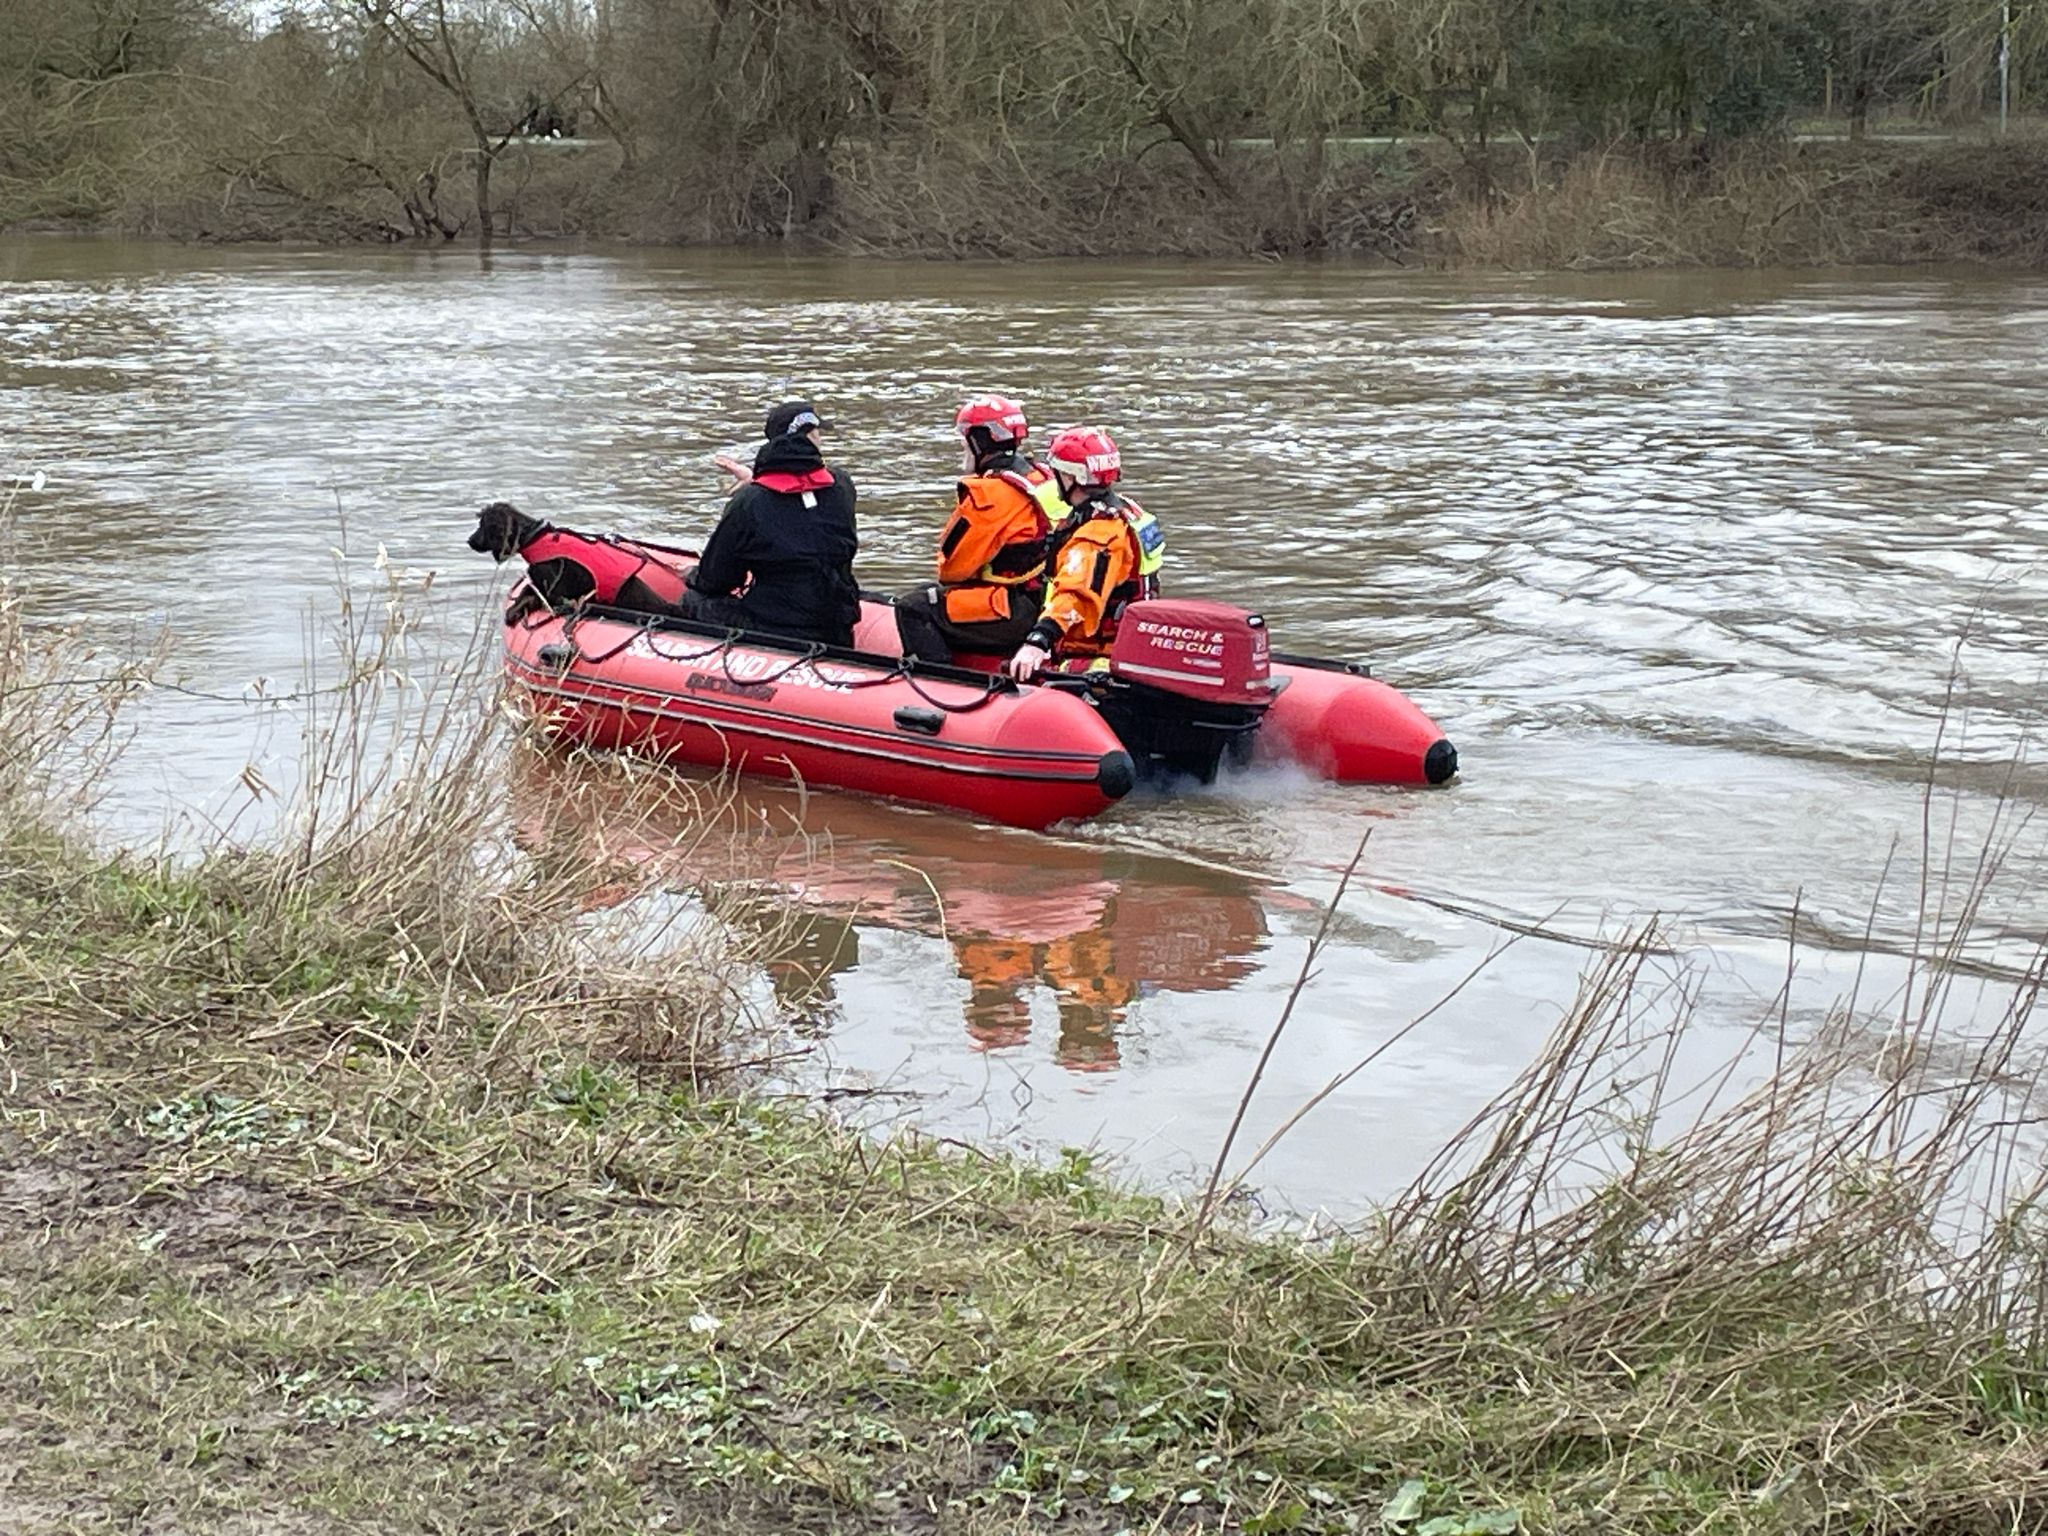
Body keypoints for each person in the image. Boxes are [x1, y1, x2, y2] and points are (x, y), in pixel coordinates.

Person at [894, 394, 1067, 664]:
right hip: (1048, 604)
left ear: (979, 441)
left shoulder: (988, 494)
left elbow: (952, 570)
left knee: (913, 607)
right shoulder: (1041, 477)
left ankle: (937, 680)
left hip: (1010, 611)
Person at [681, 400, 860, 648]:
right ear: (812, 436)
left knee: (694, 599)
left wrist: (692, 574)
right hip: (837, 630)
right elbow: (804, 500)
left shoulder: (749, 503)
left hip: (775, 631)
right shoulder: (843, 487)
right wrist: (757, 480)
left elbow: (717, 580)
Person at [1002, 425, 1164, 681]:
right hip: (1133, 647)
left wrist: (1039, 640)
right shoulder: (1127, 511)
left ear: (1071, 477)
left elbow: (1077, 594)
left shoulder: (1098, 534)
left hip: (1098, 657)